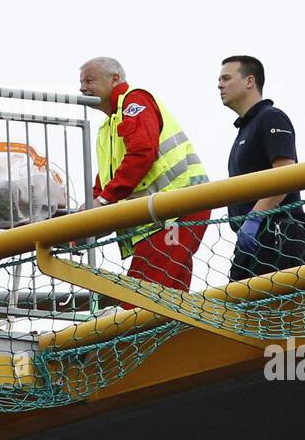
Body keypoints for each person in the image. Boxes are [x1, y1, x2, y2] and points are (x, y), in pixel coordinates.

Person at [78, 56, 210, 302]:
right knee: (167, 295)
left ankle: (133, 339)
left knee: (143, 296)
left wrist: (103, 201)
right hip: (158, 217)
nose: (82, 88)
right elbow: (108, 179)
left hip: (178, 210)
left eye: (89, 80)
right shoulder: (108, 126)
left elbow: (141, 154)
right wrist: (89, 210)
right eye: (81, 82)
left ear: (114, 79)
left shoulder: (134, 102)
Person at [217, 55, 305, 282]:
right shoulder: (243, 131)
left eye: (226, 78)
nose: (219, 85)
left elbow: (287, 173)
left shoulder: (271, 118)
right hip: (249, 244)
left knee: (281, 314)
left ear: (250, 81)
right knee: (238, 313)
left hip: (278, 237)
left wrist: (255, 218)